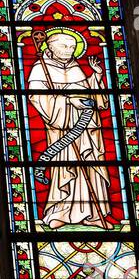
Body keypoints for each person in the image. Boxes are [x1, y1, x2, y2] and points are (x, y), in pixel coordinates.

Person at [28, 26, 112, 228]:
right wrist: (66, 102)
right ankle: (62, 212)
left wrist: (96, 77)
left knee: (90, 165)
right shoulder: (40, 69)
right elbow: (38, 98)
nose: (69, 51)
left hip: (87, 129)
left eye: (72, 47)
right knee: (65, 167)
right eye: (65, 47)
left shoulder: (76, 68)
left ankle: (94, 214)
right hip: (62, 128)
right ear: (51, 47)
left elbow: (94, 98)